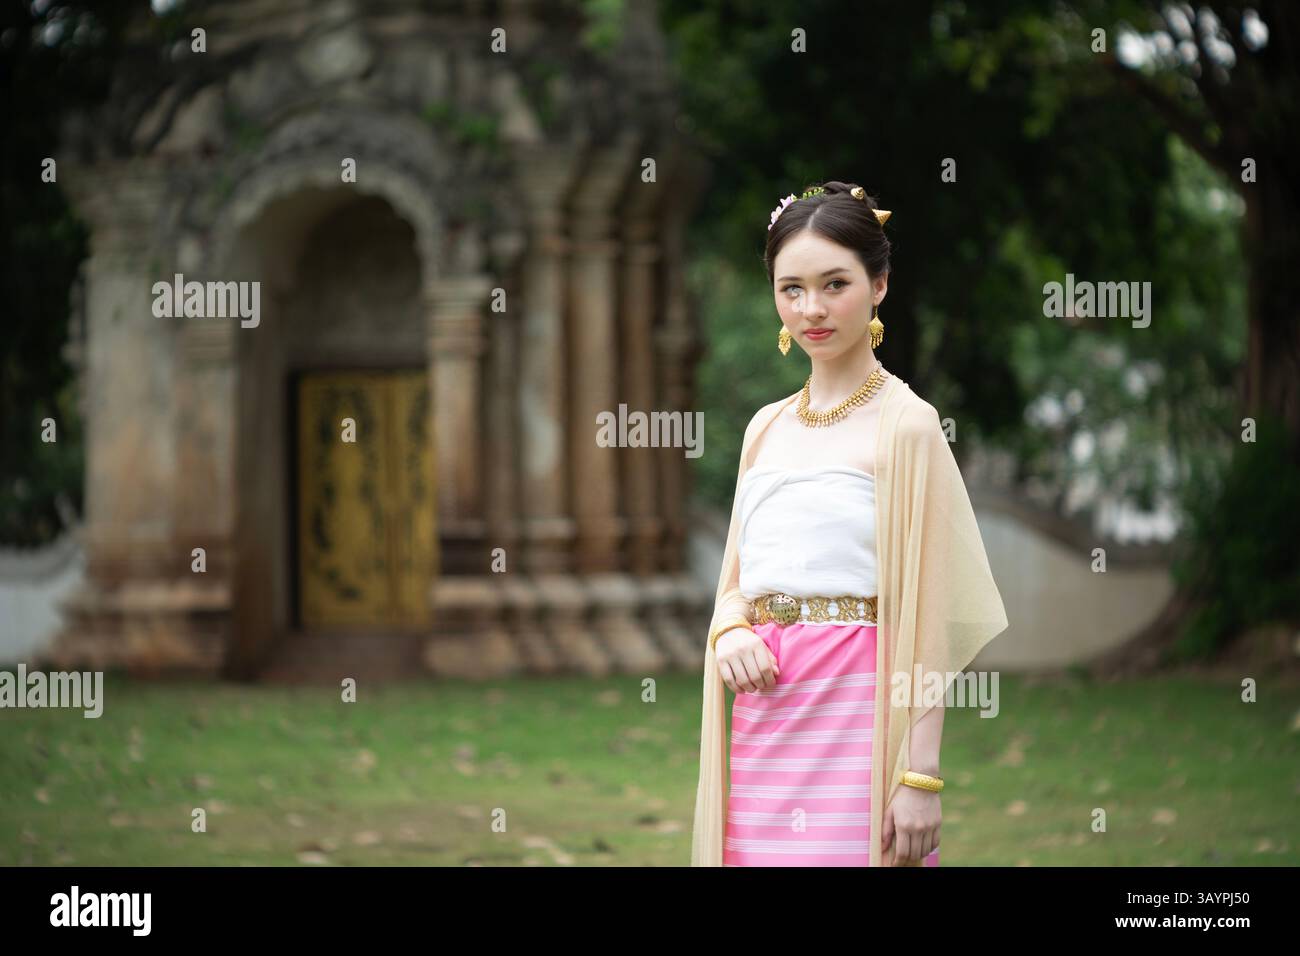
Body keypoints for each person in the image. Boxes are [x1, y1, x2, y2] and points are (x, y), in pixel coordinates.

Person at [691, 181, 1009, 867]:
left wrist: (919, 776)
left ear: (880, 285)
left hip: (862, 723)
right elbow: (735, 587)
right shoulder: (762, 430)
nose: (812, 308)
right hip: (764, 723)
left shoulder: (909, 426)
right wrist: (730, 631)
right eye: (792, 288)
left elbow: (932, 612)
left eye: (835, 283)